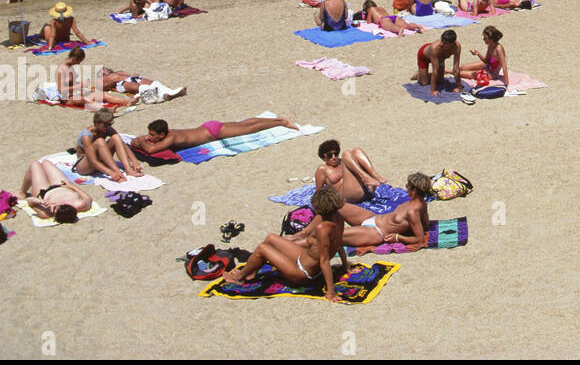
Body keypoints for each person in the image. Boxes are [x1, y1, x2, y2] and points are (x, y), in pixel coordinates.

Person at [224, 184, 347, 300]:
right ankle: (252, 272)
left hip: (303, 273)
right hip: (304, 258)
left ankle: (240, 278)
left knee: (262, 248)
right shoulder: (338, 217)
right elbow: (339, 244)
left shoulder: (323, 229)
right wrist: (345, 267)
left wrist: (331, 291)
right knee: (271, 238)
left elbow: (324, 260)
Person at [326, 173, 433, 249]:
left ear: (414, 190)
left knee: (330, 235)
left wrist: (397, 237)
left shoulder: (413, 211)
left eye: (408, 187)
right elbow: (426, 225)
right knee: (338, 205)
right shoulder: (421, 203)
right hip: (373, 217)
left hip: (377, 232)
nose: (406, 189)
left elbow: (419, 240)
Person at [132, 114, 301, 154]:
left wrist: (140, 141)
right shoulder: (170, 132)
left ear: (162, 135)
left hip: (214, 132)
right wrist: (146, 139)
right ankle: (278, 119)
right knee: (246, 124)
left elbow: (150, 150)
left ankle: (281, 122)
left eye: (153, 135)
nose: (149, 137)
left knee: (251, 128)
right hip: (209, 127)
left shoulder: (171, 138)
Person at [72, 108, 143, 181]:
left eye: (110, 124)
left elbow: (122, 144)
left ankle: (128, 170)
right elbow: (92, 160)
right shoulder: (86, 136)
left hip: (99, 162)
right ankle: (117, 172)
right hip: (85, 166)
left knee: (116, 137)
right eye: (105, 124)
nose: (108, 127)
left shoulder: (107, 129)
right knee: (100, 141)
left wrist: (134, 161)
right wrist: (111, 173)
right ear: (96, 123)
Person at [20, 159, 93, 223]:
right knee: (46, 162)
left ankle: (22, 192)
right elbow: (88, 198)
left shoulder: (46, 213)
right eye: (55, 208)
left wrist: (39, 201)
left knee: (35, 164)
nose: (52, 209)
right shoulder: (80, 205)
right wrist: (71, 185)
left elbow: (29, 201)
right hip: (61, 185)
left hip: (43, 192)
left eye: (53, 210)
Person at [314, 138, 386, 203]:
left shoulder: (345, 162)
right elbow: (318, 192)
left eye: (335, 154)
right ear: (323, 157)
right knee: (346, 153)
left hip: (367, 192)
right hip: (348, 196)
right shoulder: (322, 169)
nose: (334, 157)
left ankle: (375, 175)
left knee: (356, 151)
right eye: (330, 155)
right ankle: (366, 178)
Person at [358, 0, 426, 35]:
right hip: (393, 17)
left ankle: (399, 30)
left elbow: (369, 22)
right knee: (407, 25)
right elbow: (388, 16)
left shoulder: (370, 9)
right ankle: (418, 26)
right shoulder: (380, 8)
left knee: (392, 27)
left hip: (383, 20)